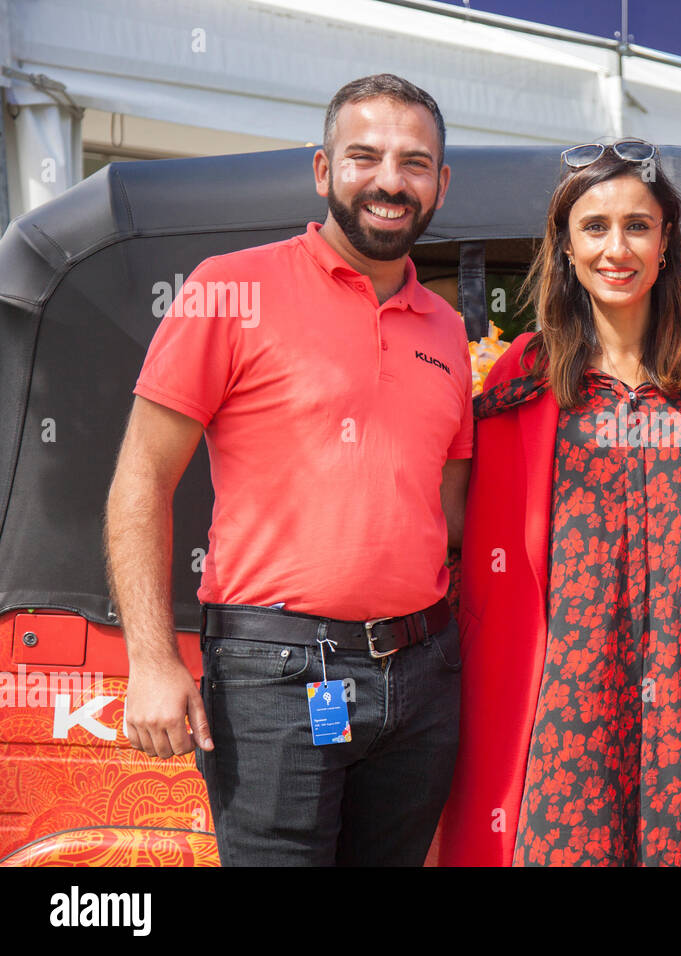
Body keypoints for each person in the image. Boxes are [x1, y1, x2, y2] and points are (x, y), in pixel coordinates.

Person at [105, 74, 471, 866]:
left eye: (414, 163)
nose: (388, 181)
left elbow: (450, 515)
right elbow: (140, 479)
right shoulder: (226, 290)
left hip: (422, 675)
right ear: (322, 170)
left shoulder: (447, 330)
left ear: (440, 185)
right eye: (363, 156)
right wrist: (151, 659)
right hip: (277, 677)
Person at [439, 139, 681, 866]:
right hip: (565, 690)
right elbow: (473, 531)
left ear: (667, 241)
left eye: (638, 225)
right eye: (594, 226)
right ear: (565, 245)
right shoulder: (525, 373)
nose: (617, 247)